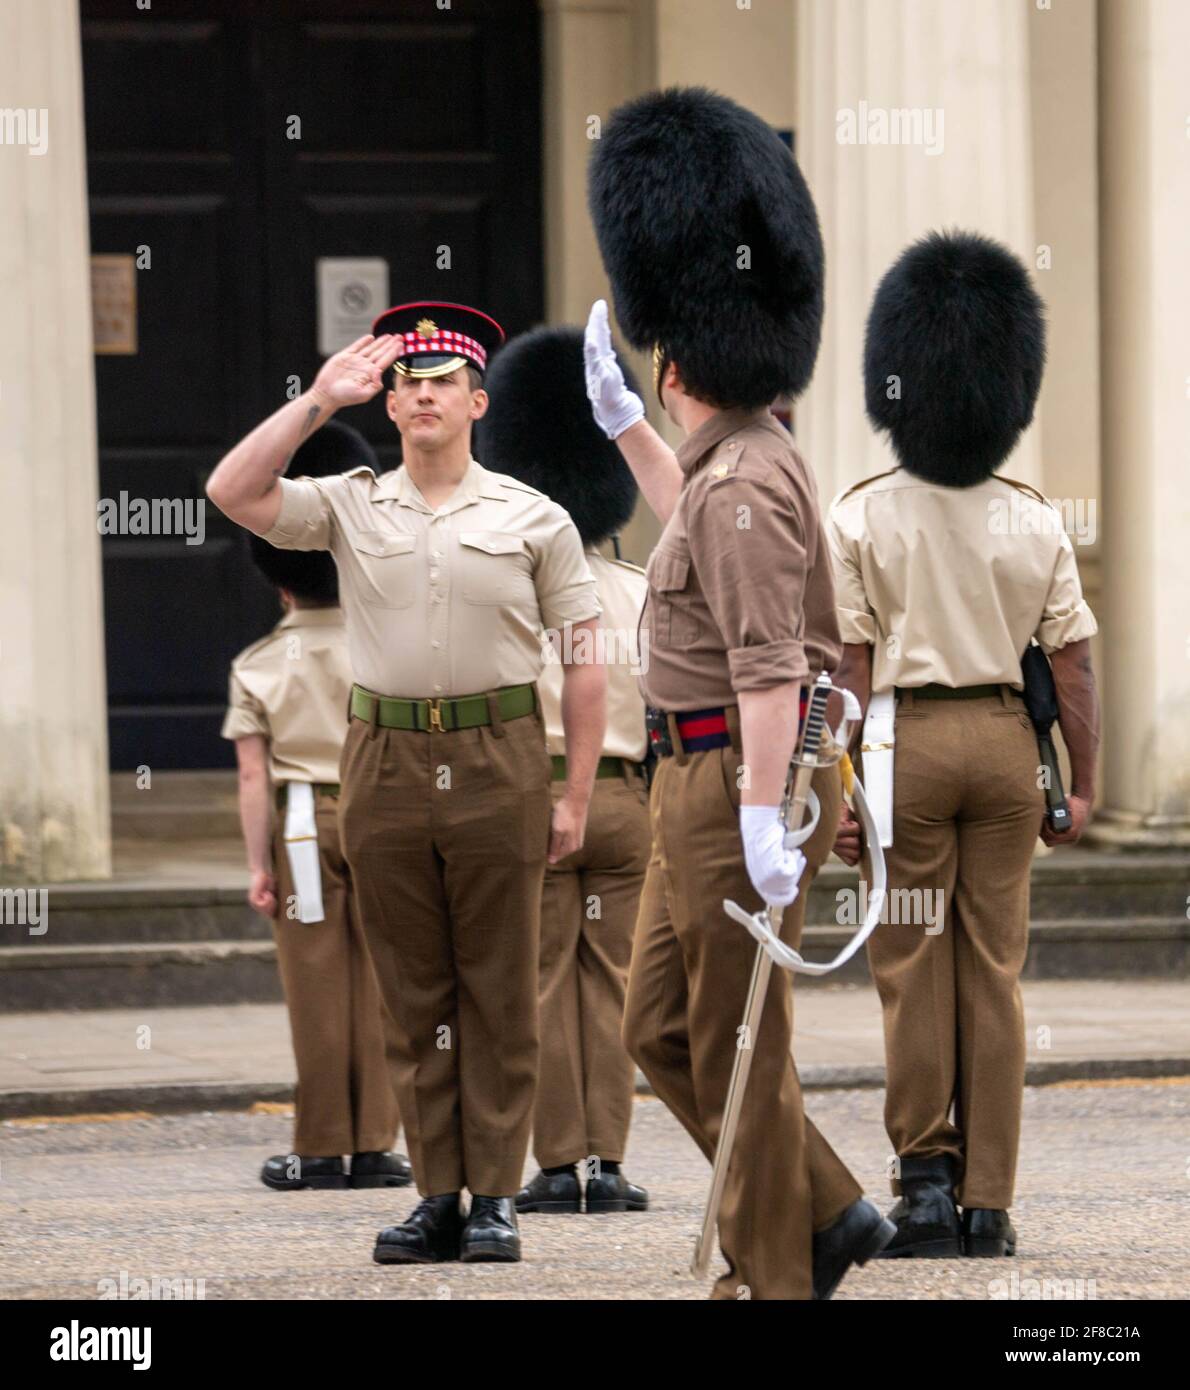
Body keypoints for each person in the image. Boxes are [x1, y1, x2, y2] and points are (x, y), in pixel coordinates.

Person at [206, 303, 606, 1265]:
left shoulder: (532, 516)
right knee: (413, 989)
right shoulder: (349, 502)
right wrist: (316, 400)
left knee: (501, 982)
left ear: (475, 401)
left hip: (498, 750)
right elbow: (231, 490)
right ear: (388, 404)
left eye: (440, 383)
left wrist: (577, 791)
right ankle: (436, 1193)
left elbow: (585, 661)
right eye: (404, 383)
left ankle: (499, 1194)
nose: (420, 394)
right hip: (381, 760)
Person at [584, 86, 893, 1300]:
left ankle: (769, 1276)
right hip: (694, 774)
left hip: (730, 774)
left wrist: (765, 815)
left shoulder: (748, 483)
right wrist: (621, 435)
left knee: (730, 1044)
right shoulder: (727, 470)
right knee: (656, 1030)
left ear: (678, 362)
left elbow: (769, 665)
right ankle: (825, 1212)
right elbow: (696, 529)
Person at [827, 231, 1101, 1259]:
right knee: (992, 969)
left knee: (910, 967)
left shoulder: (856, 517)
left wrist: (835, 790)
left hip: (900, 748)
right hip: (999, 749)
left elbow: (845, 669)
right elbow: (1070, 665)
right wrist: (1081, 784)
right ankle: (988, 1200)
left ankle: (925, 1184)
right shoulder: (1032, 522)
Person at [479, 325, 651, 1215]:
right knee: (614, 981)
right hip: (630, 797)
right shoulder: (642, 587)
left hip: (536, 794)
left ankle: (555, 1164)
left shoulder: (509, 584)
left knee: (538, 981)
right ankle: (610, 1164)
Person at [222, 420, 410, 1194]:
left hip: (301, 825)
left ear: (278, 579)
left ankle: (322, 1145)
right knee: (386, 981)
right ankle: (376, 1144)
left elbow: (251, 781)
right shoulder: (386, 645)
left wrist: (256, 867)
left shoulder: (259, 663)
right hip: (382, 812)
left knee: (315, 987)